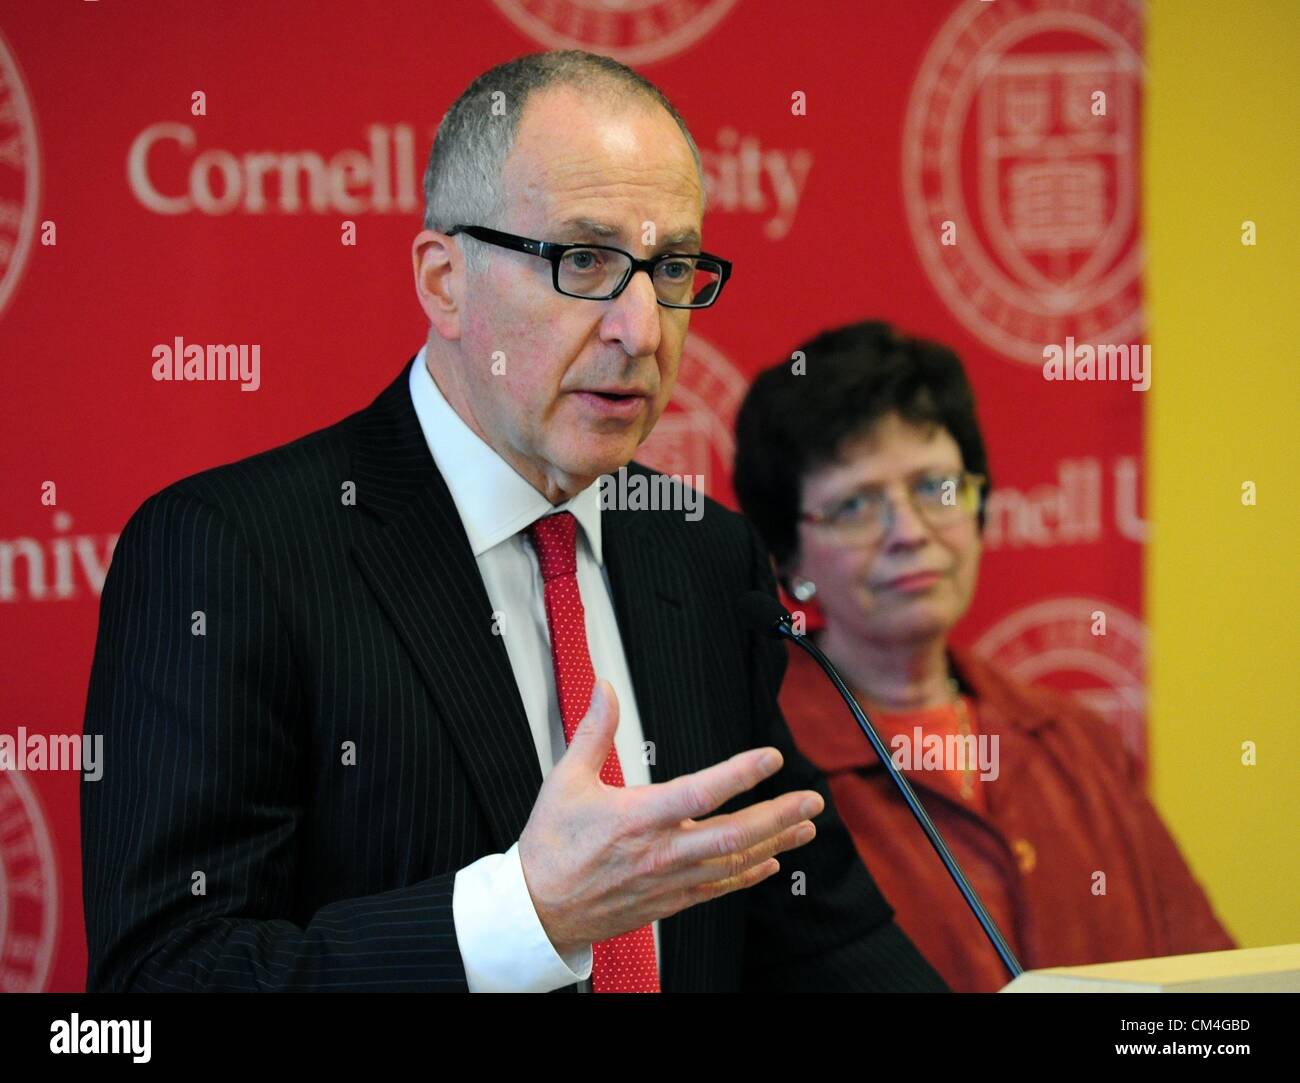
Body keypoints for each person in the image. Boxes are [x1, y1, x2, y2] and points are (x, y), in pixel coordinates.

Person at [80, 53, 946, 993]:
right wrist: (527, 914)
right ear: (443, 280)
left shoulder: (701, 554)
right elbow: (162, 979)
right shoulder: (232, 552)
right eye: (583, 260)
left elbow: (816, 933)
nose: (642, 329)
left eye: (674, 268)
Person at [733, 320, 1235, 993]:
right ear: (787, 557)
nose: (908, 532)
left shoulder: (1075, 742)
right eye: (856, 503)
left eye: (935, 488)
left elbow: (1211, 989)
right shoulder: (763, 772)